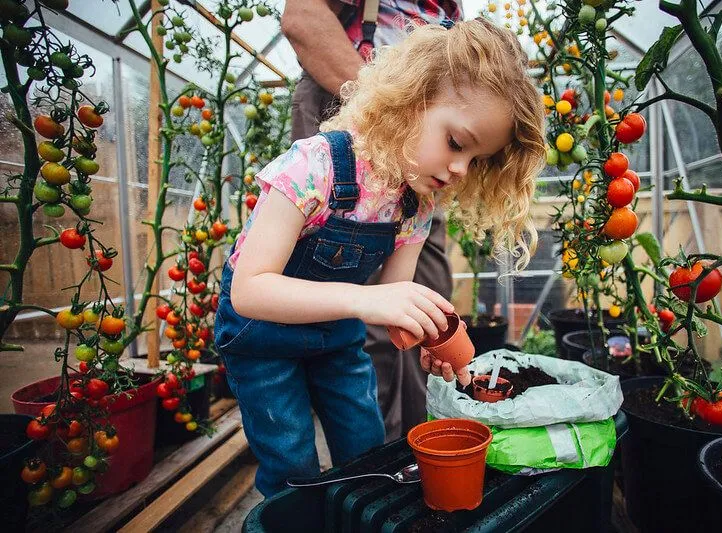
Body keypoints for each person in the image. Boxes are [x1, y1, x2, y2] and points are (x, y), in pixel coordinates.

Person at [214, 18, 546, 498]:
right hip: (261, 341)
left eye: (475, 161)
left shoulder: (416, 203)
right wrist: (366, 302)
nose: (459, 170)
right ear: (410, 101)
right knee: (292, 463)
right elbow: (249, 290)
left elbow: (396, 299)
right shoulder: (314, 167)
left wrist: (427, 337)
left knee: (366, 451)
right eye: (456, 143)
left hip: (335, 343)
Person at [282, 0, 462, 440]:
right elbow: (302, 17)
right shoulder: (319, 163)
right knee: (362, 317)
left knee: (427, 301)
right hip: (357, 121)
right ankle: (373, 452)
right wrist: (391, 115)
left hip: (421, 148)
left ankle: (422, 443)